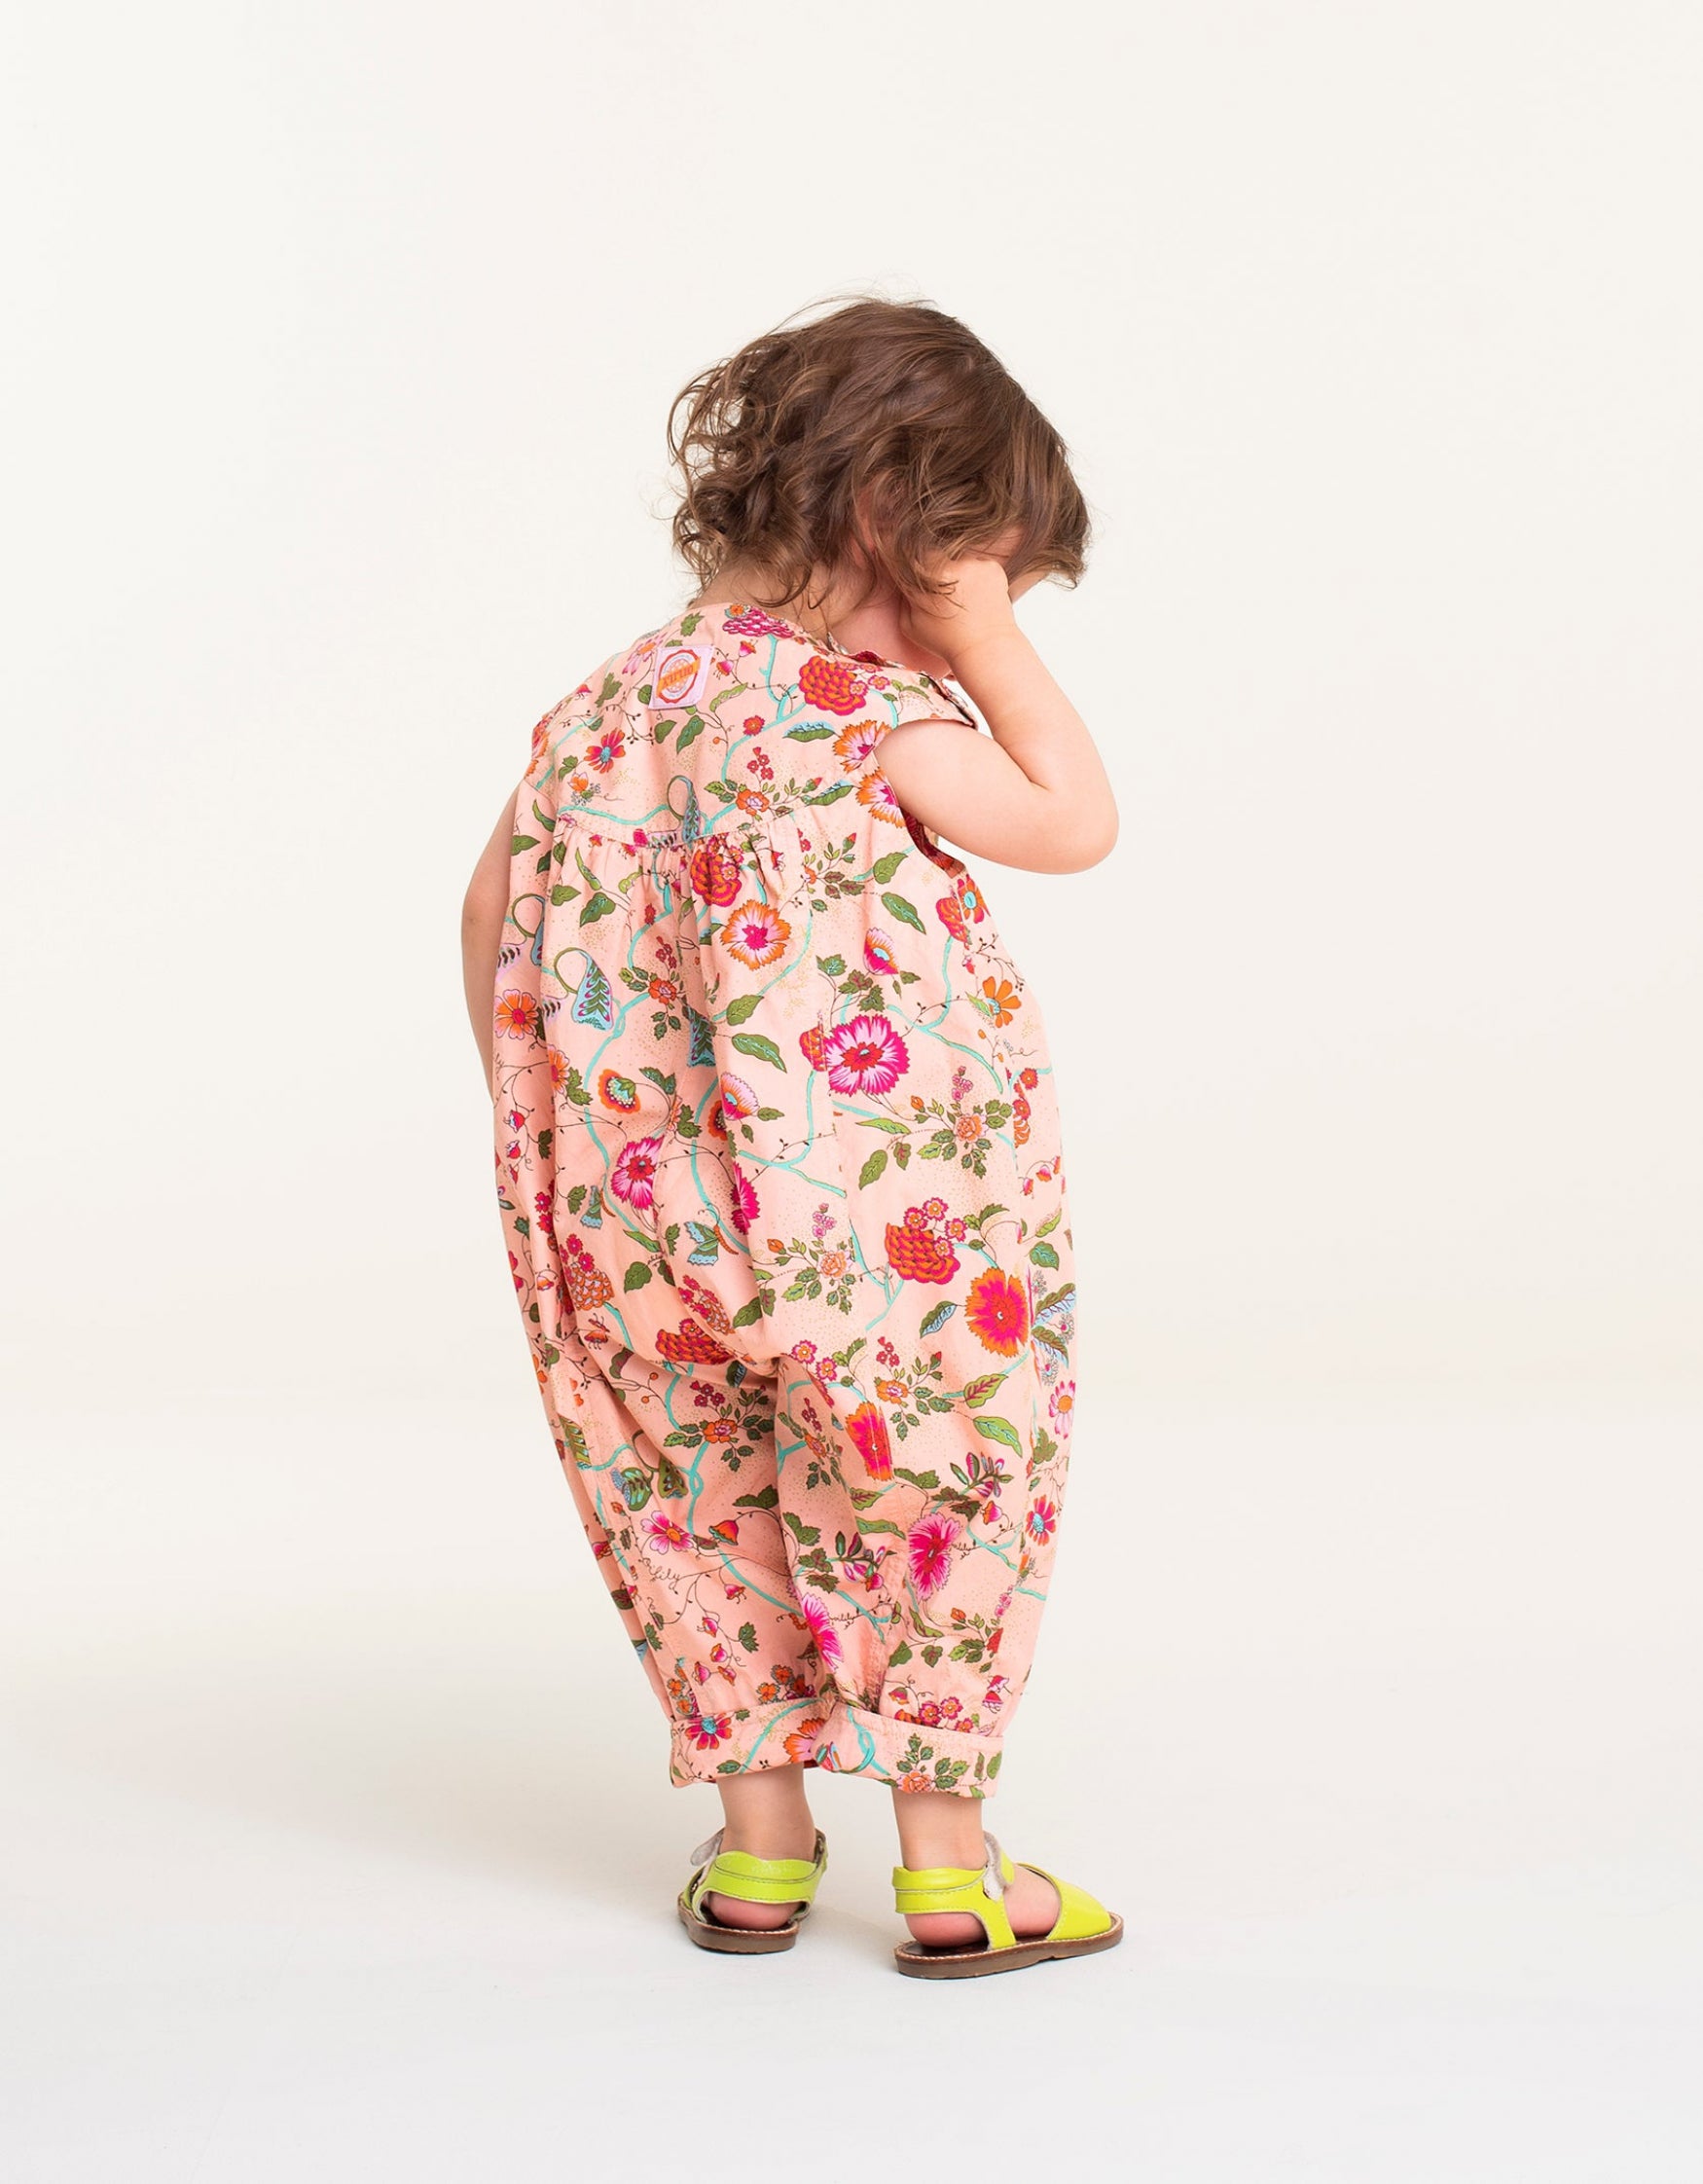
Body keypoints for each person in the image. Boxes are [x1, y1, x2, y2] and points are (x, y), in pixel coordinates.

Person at [460, 299, 1123, 1978]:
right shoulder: (857, 706)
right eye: (976, 581)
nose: (959, 637)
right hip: (875, 1209)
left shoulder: (603, 707)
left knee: (685, 1483)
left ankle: (761, 1852)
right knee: (927, 1469)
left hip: (631, 1198)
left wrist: (541, 1128)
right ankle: (949, 1874)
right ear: (906, 531)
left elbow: (487, 908)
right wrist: (980, 641)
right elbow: (1070, 823)